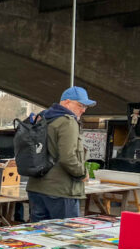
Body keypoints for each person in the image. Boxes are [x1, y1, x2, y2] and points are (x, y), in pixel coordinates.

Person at [25, 86, 94, 222]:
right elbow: (68, 157)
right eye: (80, 105)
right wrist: (82, 173)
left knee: (39, 233)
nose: (83, 110)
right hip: (60, 190)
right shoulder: (67, 122)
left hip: (36, 187)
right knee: (66, 232)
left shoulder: (42, 118)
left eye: (86, 106)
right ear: (67, 102)